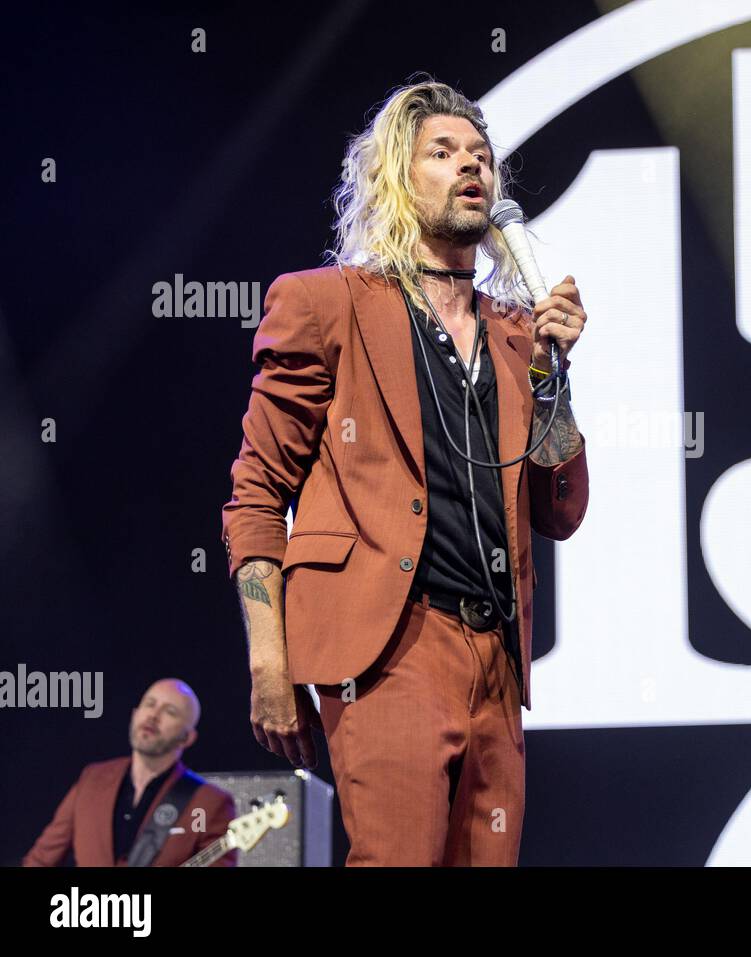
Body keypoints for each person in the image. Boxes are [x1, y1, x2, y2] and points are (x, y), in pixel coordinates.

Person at [221, 76, 590, 866]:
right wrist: (269, 661)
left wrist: (551, 375)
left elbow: (559, 512)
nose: (472, 166)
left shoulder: (516, 334)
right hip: (389, 646)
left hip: (496, 659)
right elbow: (256, 494)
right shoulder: (326, 305)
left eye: (481, 155)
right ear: (396, 176)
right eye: (444, 152)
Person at [24, 678, 237, 867]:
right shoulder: (92, 779)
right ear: (135, 714)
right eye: (149, 704)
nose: (153, 716)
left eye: (169, 711)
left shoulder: (210, 803)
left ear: (187, 737)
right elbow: (41, 860)